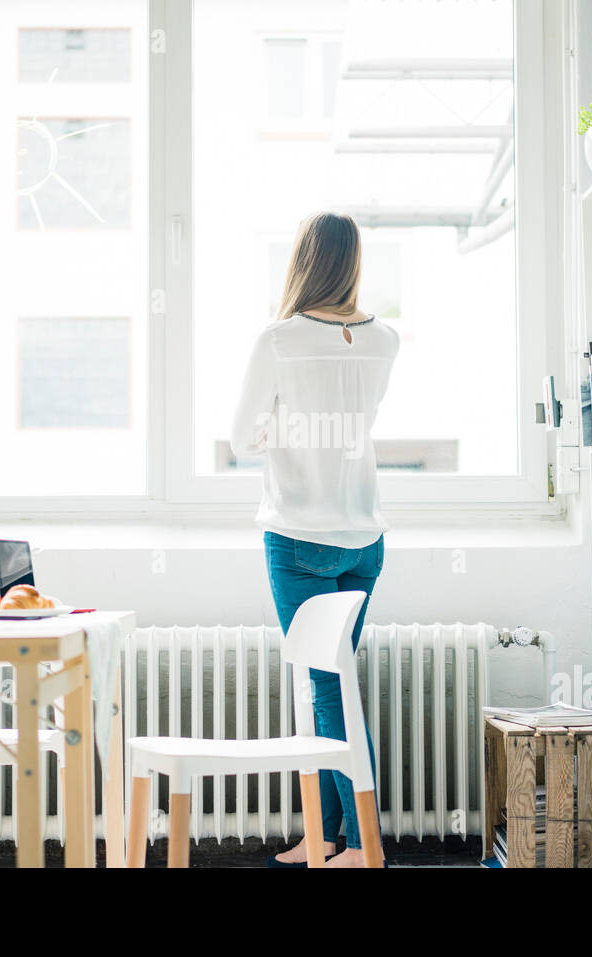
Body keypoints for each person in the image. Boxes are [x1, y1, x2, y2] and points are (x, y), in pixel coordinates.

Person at [230, 211, 399, 868]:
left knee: (324, 689)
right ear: (351, 262)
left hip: (300, 534)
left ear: (303, 260)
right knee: (334, 685)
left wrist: (284, 428)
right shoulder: (385, 338)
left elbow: (245, 436)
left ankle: (360, 844)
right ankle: (326, 836)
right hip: (364, 540)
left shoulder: (279, 340)